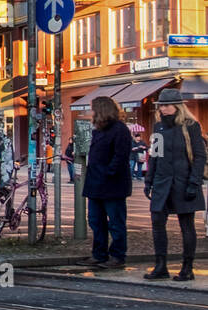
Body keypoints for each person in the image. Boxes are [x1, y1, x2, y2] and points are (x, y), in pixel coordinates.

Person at [144, 88, 206, 281]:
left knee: (186, 225)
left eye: (166, 105)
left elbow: (200, 156)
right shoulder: (159, 127)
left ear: (177, 107)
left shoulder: (191, 126)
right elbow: (155, 155)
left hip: (184, 182)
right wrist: (149, 180)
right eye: (161, 105)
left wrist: (194, 182)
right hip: (162, 183)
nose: (163, 109)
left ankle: (187, 268)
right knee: (157, 222)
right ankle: (160, 265)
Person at [82, 96, 131, 269]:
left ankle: (117, 256)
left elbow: (121, 156)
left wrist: (108, 172)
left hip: (112, 185)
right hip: (96, 184)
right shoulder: (99, 130)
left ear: (101, 110)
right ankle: (99, 253)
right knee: (96, 221)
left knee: (116, 222)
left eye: (93, 109)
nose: (91, 113)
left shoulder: (119, 130)